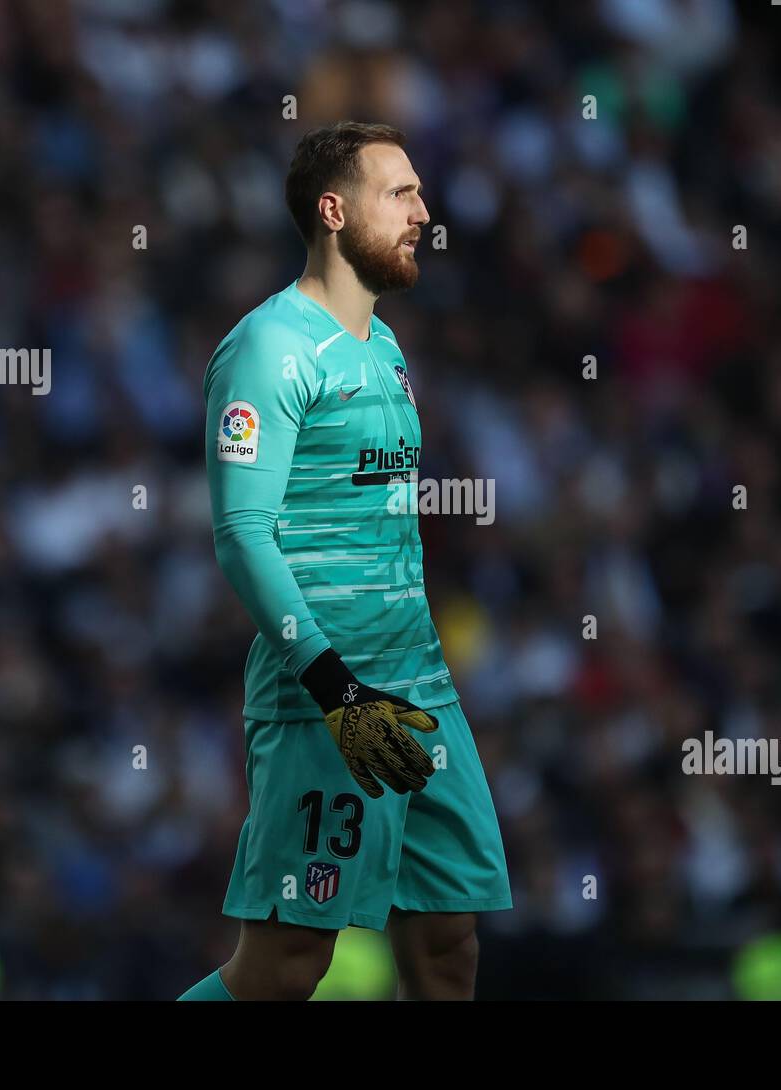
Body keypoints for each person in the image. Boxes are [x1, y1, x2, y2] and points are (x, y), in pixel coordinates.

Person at [178, 122, 512, 1001]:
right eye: (400, 194)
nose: (424, 213)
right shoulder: (268, 350)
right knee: (287, 966)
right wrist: (337, 691)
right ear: (334, 211)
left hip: (422, 687)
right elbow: (242, 534)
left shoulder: (386, 348)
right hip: (325, 695)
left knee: (448, 946)